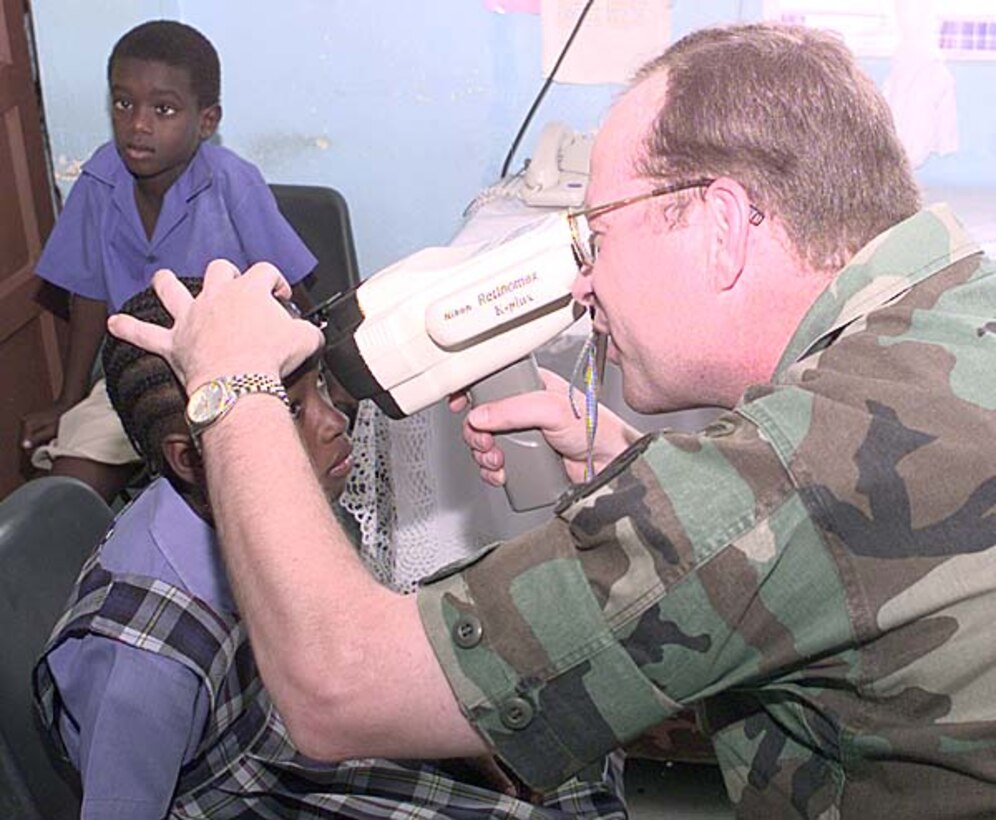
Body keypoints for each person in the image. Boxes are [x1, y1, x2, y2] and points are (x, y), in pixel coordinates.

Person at [107, 22, 996, 818]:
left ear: (721, 225)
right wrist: (642, 471)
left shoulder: (777, 482)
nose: (584, 284)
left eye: (598, 234)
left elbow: (337, 687)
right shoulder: (960, 298)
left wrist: (232, 383)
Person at [33, 280, 627, 819]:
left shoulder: (281, 506)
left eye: (318, 385)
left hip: (299, 734)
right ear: (190, 458)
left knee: (576, 733)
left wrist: (469, 747)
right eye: (287, 408)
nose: (334, 420)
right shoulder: (145, 657)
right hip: (244, 789)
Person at [19, 19, 316, 502]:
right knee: (64, 494)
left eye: (163, 109)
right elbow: (89, 296)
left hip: (233, 373)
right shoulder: (99, 179)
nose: (138, 124)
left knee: (241, 494)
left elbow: (292, 297)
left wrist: (313, 387)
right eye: (123, 103)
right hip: (136, 381)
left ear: (207, 121)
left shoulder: (232, 183)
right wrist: (67, 400)